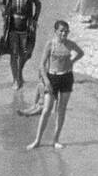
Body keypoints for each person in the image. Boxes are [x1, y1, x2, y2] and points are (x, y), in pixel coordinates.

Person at [28, 20, 83, 149]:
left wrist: (73, 61)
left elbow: (81, 53)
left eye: (66, 31)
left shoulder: (70, 44)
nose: (64, 33)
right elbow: (41, 65)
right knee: (46, 110)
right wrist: (46, 80)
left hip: (67, 77)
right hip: (52, 78)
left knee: (61, 109)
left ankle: (56, 140)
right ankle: (37, 140)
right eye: (61, 31)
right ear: (56, 31)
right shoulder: (50, 44)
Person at [0, 0, 41, 89]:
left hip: (26, 27)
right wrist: (3, 12)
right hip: (12, 28)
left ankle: (19, 72)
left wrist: (35, 19)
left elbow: (38, 4)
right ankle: (16, 80)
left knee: (26, 53)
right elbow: (1, 2)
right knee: (14, 55)